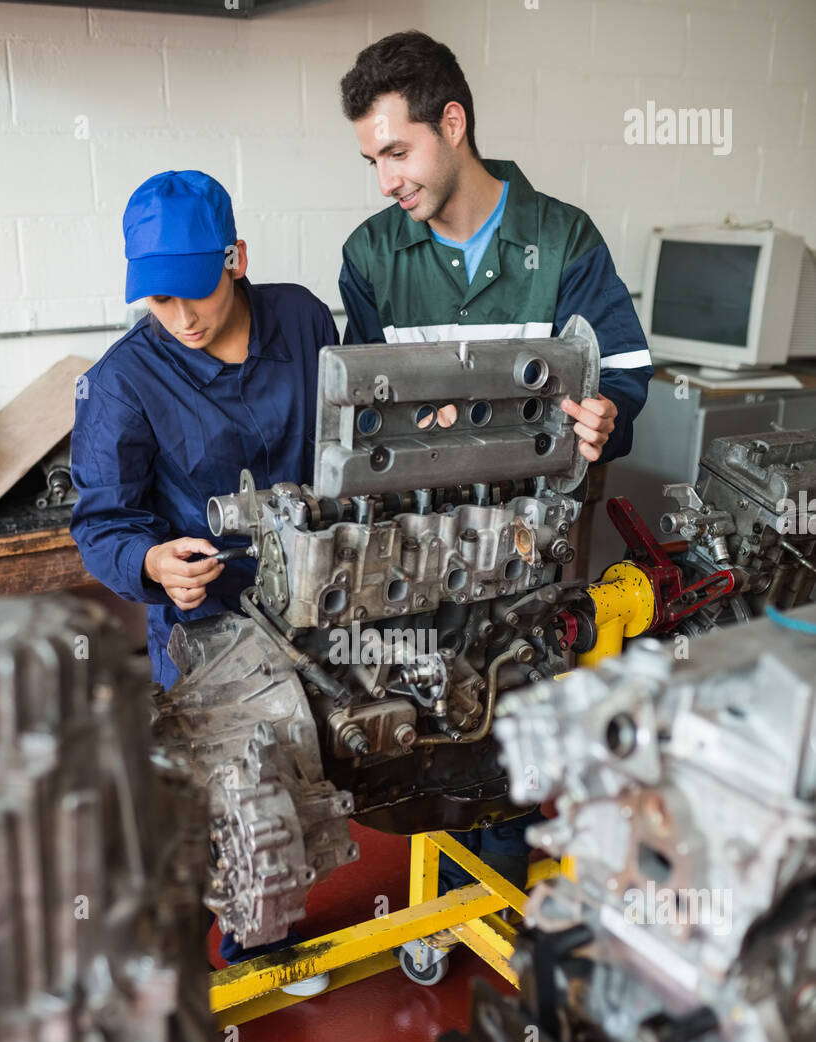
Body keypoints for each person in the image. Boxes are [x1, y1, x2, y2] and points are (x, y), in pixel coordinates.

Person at [338, 31, 653, 891]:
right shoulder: (371, 256)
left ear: (453, 123)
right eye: (372, 159)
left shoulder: (562, 239)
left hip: (538, 542)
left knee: (522, 712)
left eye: (398, 152)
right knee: (430, 717)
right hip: (421, 547)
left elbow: (624, 370)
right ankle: (437, 893)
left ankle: (504, 896)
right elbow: (364, 403)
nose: (386, 180)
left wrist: (604, 415)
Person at [71, 169, 335, 989]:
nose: (180, 319)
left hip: (320, 597)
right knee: (232, 788)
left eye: (195, 293)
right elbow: (101, 522)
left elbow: (351, 439)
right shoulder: (121, 381)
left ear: (236, 259)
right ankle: (250, 944)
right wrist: (152, 563)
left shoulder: (303, 319)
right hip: (206, 620)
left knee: (323, 759)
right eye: (158, 302)